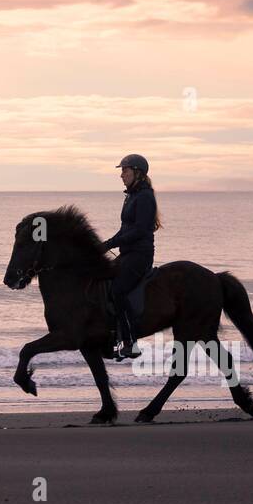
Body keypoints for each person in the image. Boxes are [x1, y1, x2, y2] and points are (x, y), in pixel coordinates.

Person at [99, 153, 160, 361]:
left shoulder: (144, 197)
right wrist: (104, 244)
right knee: (103, 281)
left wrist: (111, 244)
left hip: (139, 256)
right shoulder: (131, 196)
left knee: (118, 290)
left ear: (138, 173)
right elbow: (124, 230)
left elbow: (140, 231)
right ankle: (110, 338)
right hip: (128, 253)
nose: (122, 175)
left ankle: (130, 342)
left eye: (125, 171)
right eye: (122, 171)